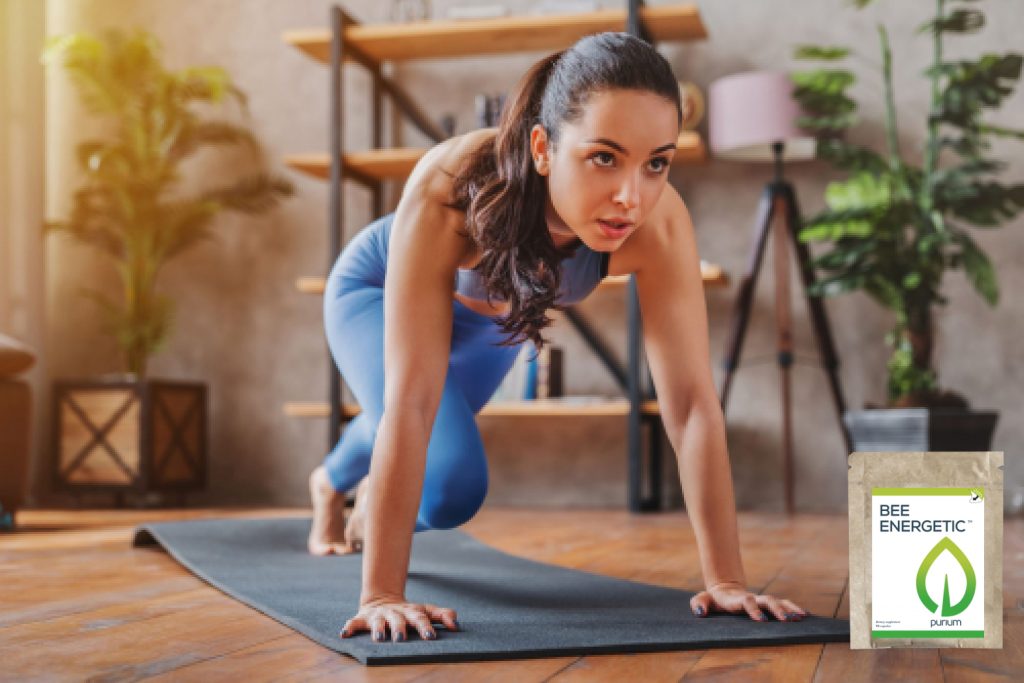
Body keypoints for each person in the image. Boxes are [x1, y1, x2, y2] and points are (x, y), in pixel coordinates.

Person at [307, 32, 809, 644]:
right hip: (375, 294)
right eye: (604, 157)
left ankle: (337, 480)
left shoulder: (658, 224)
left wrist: (727, 579)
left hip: (496, 317)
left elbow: (692, 406)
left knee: (438, 456)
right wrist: (382, 594)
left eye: (657, 162)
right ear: (543, 147)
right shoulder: (452, 182)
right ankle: (336, 483)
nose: (632, 196)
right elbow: (412, 402)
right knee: (450, 487)